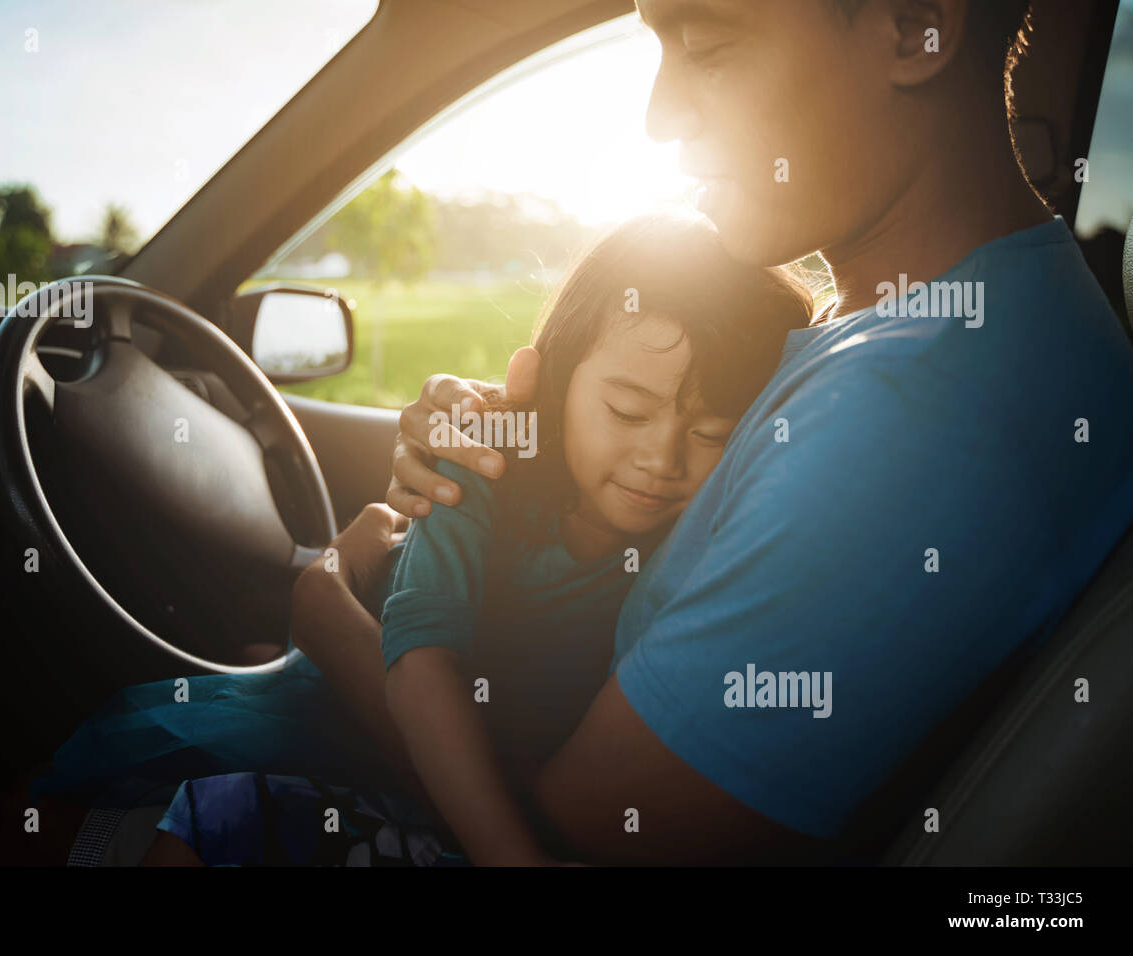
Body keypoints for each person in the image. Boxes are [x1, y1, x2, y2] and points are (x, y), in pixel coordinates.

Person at [260, 0, 1133, 865]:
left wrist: (325, 608)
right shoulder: (965, 317)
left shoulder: (915, 415)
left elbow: (575, 833)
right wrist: (522, 430)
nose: (658, 117)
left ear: (914, 26)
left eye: (708, 46)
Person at [144, 213, 815, 865]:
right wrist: (507, 853)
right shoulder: (481, 462)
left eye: (711, 434)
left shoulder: (706, 539)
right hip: (361, 721)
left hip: (451, 776)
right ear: (553, 377)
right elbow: (422, 663)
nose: (661, 459)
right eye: (627, 412)